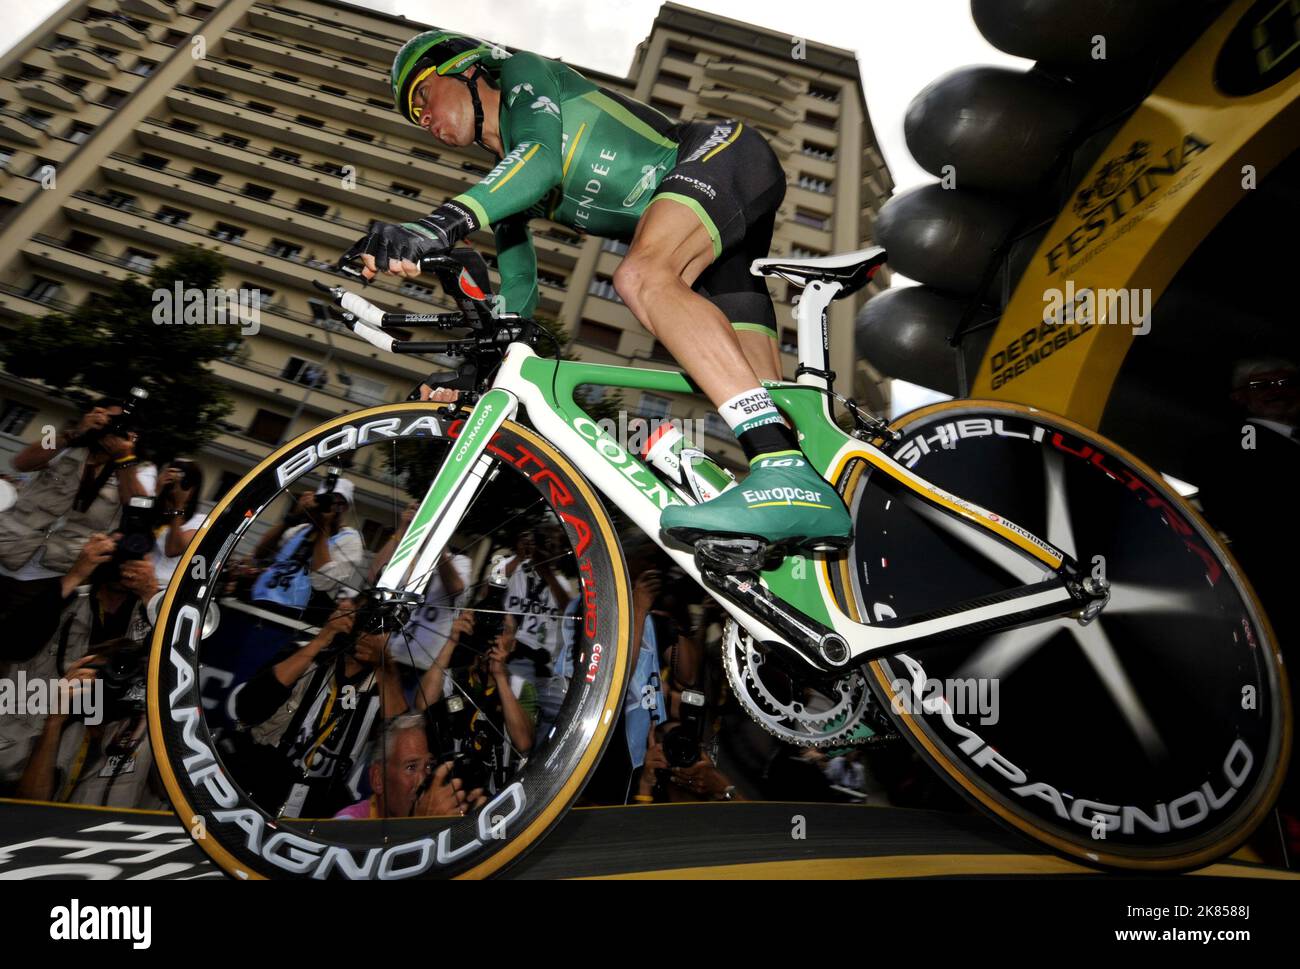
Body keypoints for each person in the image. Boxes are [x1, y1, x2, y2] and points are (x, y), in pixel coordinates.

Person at [341, 30, 852, 555]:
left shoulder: (524, 74)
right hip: (715, 232)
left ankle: (782, 471)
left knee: (642, 277)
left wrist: (439, 224)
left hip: (721, 156)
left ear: (466, 67)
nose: (422, 118)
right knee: (759, 392)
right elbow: (519, 291)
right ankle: (817, 500)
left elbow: (539, 159)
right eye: (413, 115)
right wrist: (480, 373)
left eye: (422, 96)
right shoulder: (508, 184)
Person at [231, 600, 408, 818]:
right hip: (266, 766)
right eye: (365, 623)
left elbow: (401, 739)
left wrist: (385, 664)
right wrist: (323, 637)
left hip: (320, 792)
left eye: (384, 631)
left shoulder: (382, 686)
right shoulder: (308, 657)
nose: (369, 636)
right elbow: (248, 708)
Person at [0, 397, 156, 582]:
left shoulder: (142, 468)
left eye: (122, 424)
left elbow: (138, 510)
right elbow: (21, 462)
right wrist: (74, 432)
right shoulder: (63, 444)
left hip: (57, 572)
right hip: (6, 546)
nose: (112, 428)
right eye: (109, 420)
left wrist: (124, 460)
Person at [248, 478, 365, 624]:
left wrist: (324, 527)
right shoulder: (301, 529)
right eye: (326, 501)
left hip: (295, 618)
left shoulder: (350, 540)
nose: (331, 508)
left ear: (346, 508)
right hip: (260, 599)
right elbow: (259, 554)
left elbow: (322, 583)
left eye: (338, 503)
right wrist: (292, 517)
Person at [334, 713, 481, 819]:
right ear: (378, 779)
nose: (423, 779)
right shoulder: (347, 826)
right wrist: (422, 826)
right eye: (411, 767)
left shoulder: (441, 814)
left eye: (429, 766)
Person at [152, 459, 206, 586]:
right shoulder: (156, 513)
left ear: (192, 489)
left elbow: (172, 550)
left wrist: (179, 506)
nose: (174, 488)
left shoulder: (201, 522)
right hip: (140, 581)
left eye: (181, 483)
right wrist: (156, 491)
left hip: (166, 589)